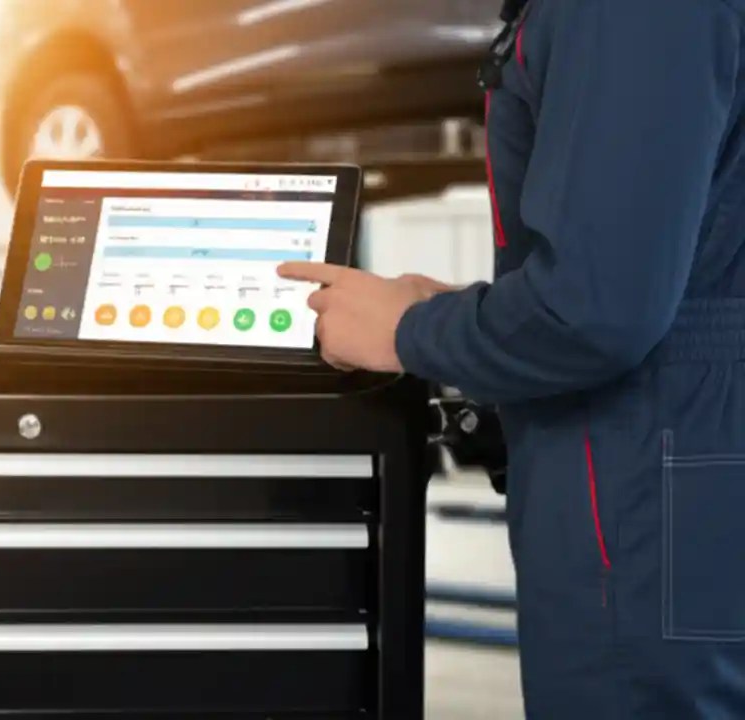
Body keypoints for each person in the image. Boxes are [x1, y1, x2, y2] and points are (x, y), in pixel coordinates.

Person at [277, 0, 745, 717]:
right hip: (672, 448)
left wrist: (411, 330)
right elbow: (659, 271)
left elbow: (597, 310)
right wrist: (460, 312)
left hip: (641, 477)